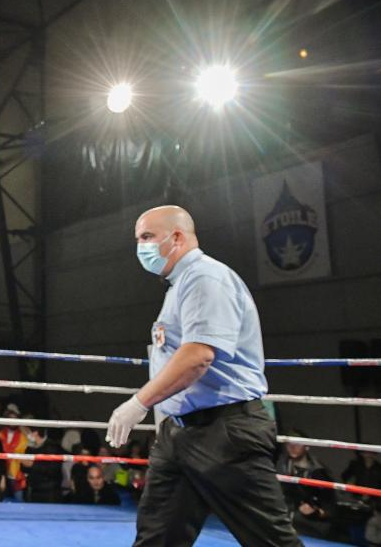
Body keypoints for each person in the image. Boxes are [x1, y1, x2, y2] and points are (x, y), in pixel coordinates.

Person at [105, 205, 301, 545]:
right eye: (138, 238)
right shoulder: (178, 285)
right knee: (157, 537)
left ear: (177, 236)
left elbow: (198, 356)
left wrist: (139, 402)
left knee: (271, 542)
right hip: (179, 432)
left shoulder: (205, 278)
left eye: (147, 236)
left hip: (223, 431)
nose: (141, 246)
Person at [276, 435, 337, 539]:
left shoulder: (319, 473)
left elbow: (330, 508)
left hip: (312, 525)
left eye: (297, 443)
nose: (292, 447)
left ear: (307, 446)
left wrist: (315, 512)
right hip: (287, 520)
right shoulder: (282, 464)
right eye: (289, 443)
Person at [20, 427, 62, 503]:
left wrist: (33, 465)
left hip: (49, 492)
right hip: (33, 489)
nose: (25, 435)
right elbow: (24, 469)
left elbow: (54, 470)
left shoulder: (52, 447)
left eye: (27, 433)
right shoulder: (30, 447)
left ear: (35, 433)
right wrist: (24, 464)